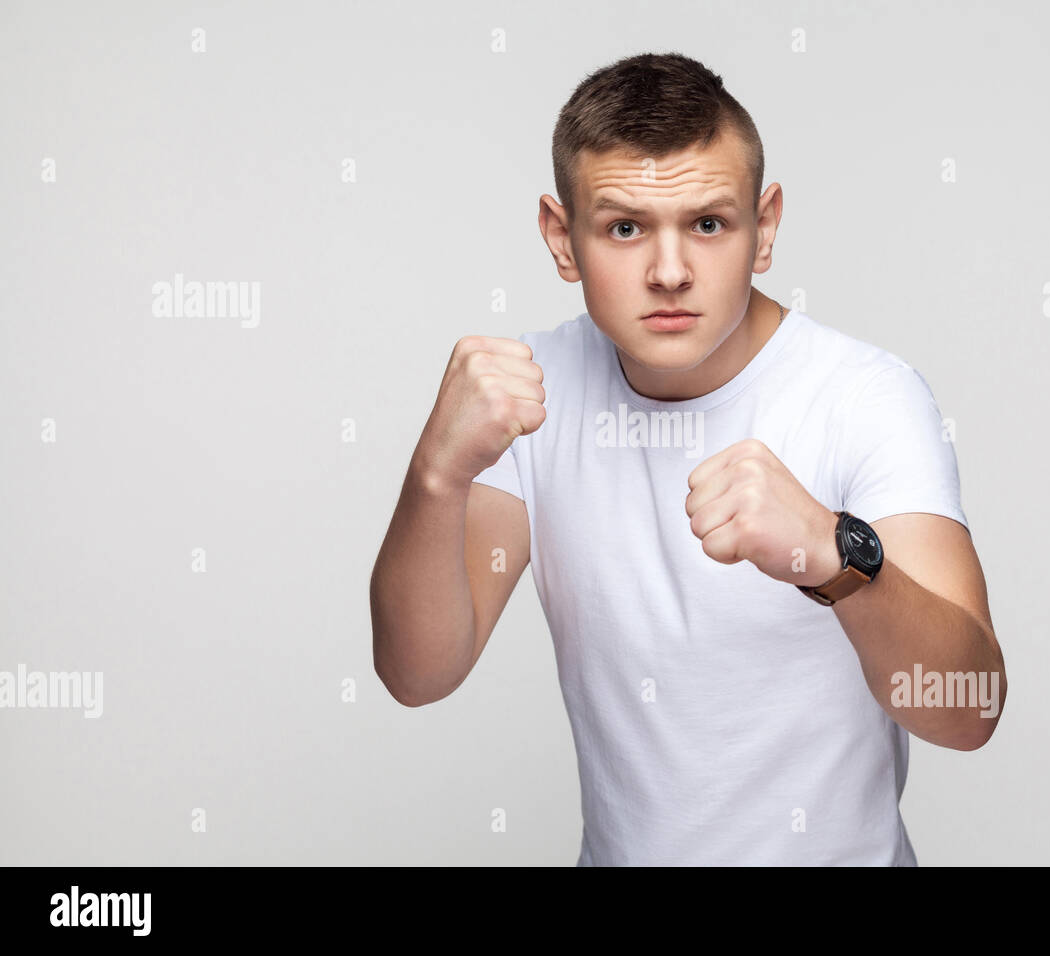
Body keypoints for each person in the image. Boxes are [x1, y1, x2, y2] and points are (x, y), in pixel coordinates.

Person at [370, 51, 1007, 866]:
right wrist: (436, 473)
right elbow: (418, 675)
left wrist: (832, 553)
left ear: (764, 227)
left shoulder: (865, 397)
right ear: (562, 239)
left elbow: (971, 710)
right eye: (625, 228)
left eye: (708, 224)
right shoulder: (530, 394)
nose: (669, 273)